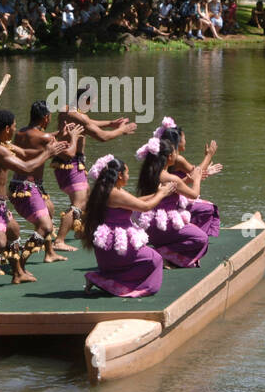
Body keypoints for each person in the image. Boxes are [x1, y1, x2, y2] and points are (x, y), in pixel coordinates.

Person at [0, 110, 68, 303]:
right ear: (7, 128)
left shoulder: (3, 144)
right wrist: (48, 153)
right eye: (14, 126)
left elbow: (24, 153)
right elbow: (26, 168)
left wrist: (55, 143)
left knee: (13, 232)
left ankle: (18, 273)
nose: (15, 128)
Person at [80, 155, 177, 298]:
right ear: (119, 175)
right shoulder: (114, 193)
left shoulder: (108, 188)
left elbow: (134, 201)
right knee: (155, 260)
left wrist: (157, 194)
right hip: (118, 246)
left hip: (109, 250)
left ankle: (100, 279)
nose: (128, 176)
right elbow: (145, 207)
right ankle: (102, 280)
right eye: (127, 173)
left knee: (149, 259)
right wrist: (162, 194)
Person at [52, 94, 138, 250]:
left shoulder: (66, 110)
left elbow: (89, 122)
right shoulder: (76, 115)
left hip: (67, 163)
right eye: (92, 102)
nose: (93, 105)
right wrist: (121, 130)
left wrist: (110, 123)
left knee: (86, 199)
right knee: (79, 204)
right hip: (70, 164)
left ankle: (80, 232)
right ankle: (59, 240)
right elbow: (102, 136)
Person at [10, 101, 83, 263]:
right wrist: (74, 137)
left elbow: (39, 138)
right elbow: (68, 155)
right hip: (28, 188)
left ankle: (49, 253)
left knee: (49, 209)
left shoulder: (20, 133)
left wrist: (58, 133)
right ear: (46, 118)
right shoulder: (46, 138)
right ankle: (19, 262)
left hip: (19, 184)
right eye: (49, 117)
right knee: (45, 227)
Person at [135, 135, 211, 268]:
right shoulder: (171, 178)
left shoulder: (148, 173)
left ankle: (166, 253)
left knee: (192, 224)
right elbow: (194, 194)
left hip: (150, 228)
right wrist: (197, 179)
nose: (177, 154)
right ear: (169, 157)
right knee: (202, 239)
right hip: (165, 226)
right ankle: (160, 253)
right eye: (175, 152)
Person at [162, 120, 222, 236]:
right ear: (177, 142)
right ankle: (200, 235)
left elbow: (194, 174)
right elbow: (196, 173)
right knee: (210, 208)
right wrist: (209, 155)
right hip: (176, 201)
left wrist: (205, 172)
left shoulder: (170, 158)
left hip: (177, 195)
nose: (185, 141)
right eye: (184, 138)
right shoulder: (178, 159)